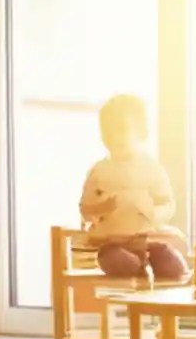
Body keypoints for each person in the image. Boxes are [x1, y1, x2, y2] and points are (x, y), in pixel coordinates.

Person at [78, 94, 188, 280]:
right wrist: (103, 207)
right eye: (108, 132)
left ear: (141, 132)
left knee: (172, 266)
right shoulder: (99, 171)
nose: (115, 138)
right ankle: (138, 269)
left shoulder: (151, 169)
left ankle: (149, 265)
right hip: (112, 243)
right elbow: (85, 209)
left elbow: (167, 204)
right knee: (116, 260)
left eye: (122, 129)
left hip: (147, 240)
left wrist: (153, 212)